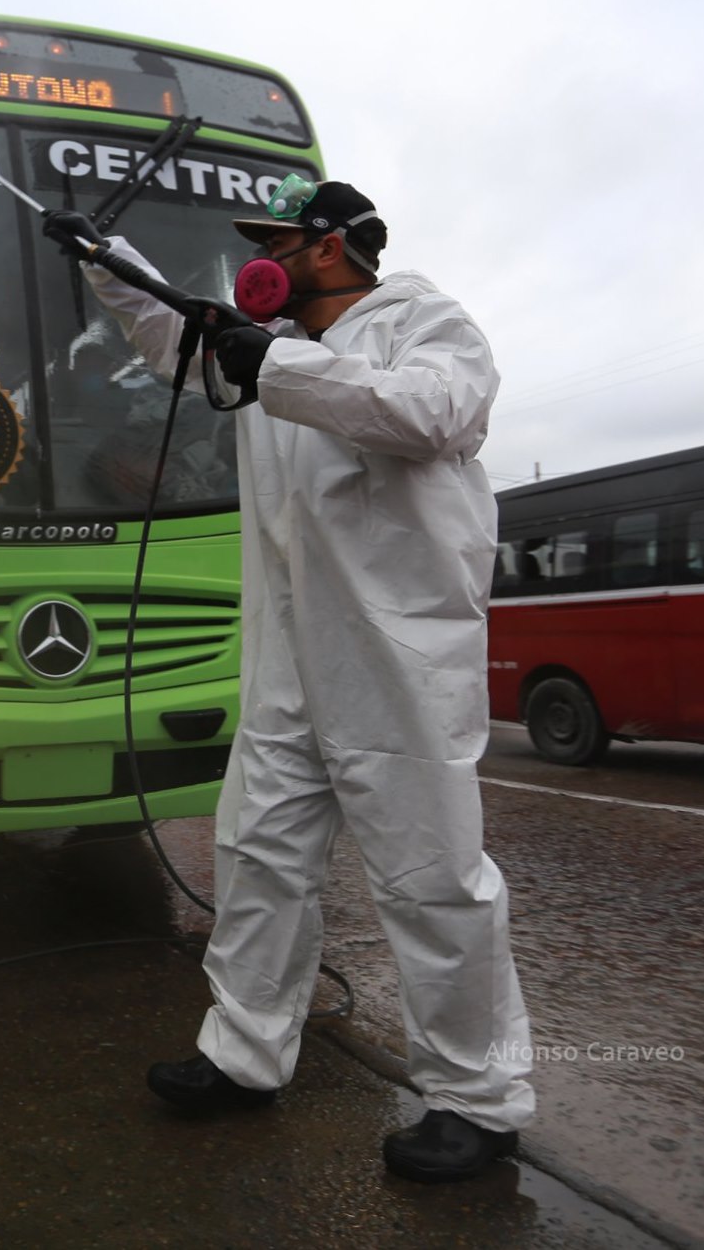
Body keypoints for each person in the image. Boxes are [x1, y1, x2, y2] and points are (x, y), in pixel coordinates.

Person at [46, 178, 533, 1182]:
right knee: (256, 855)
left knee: (431, 882)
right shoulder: (263, 360)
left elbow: (433, 411)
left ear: (324, 250)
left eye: (268, 245)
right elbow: (171, 342)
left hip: (394, 657)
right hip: (287, 655)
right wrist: (106, 262)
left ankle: (476, 1102)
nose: (251, 267)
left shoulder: (418, 320)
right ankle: (245, 1054)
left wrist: (278, 365)